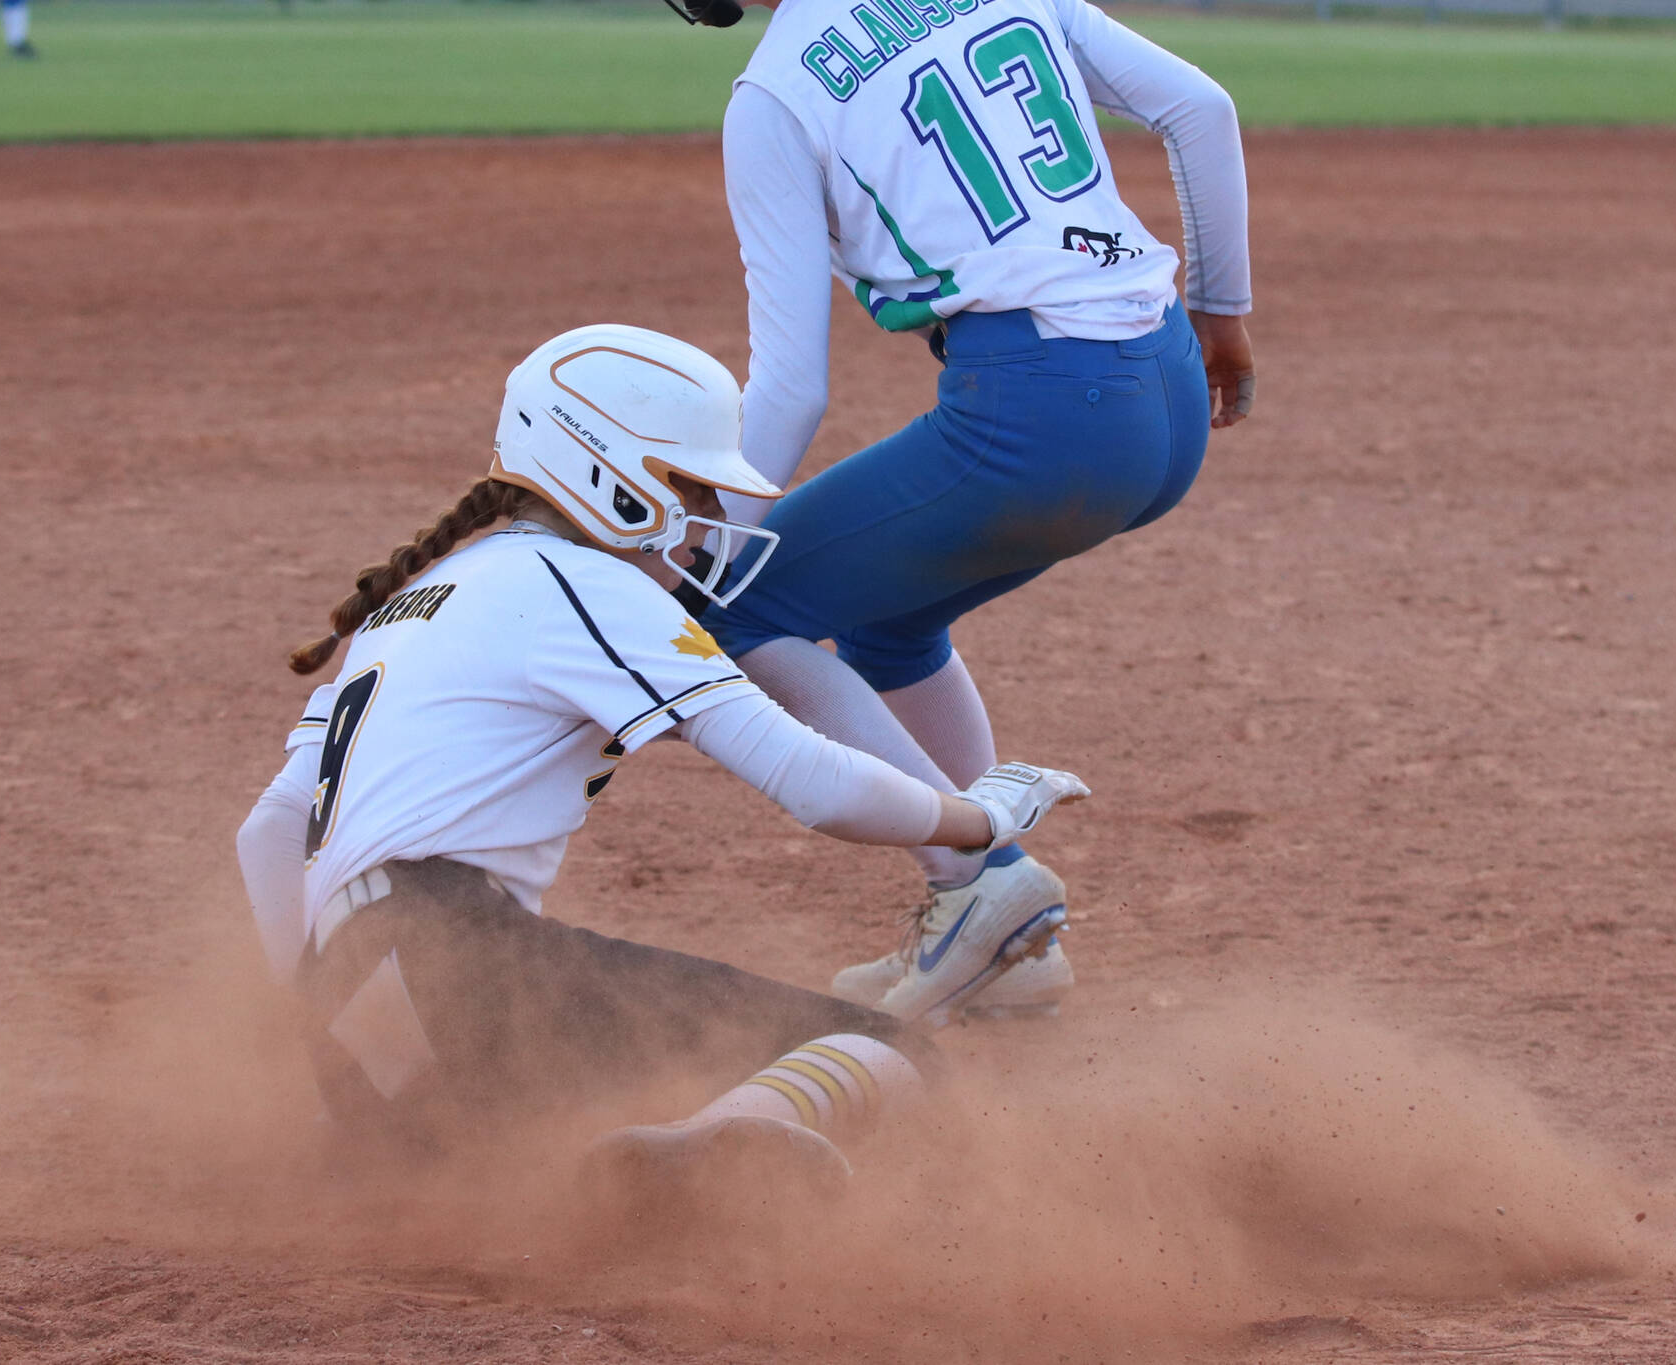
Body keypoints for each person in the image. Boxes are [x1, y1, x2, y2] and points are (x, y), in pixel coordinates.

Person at [626, 0, 1256, 1021]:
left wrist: (696, 554)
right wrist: (1221, 315)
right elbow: (1201, 105)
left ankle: (973, 884)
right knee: (891, 628)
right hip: (1165, 404)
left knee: (748, 610)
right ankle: (1002, 919)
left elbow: (791, 388)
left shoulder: (773, 92)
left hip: (1041, 416)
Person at [233, 324, 1085, 1201]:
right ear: (614, 482)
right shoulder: (585, 583)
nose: (709, 527)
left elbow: (267, 833)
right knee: (892, 1054)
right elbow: (817, 785)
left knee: (497, 1171)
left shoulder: (415, 600)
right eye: (690, 491)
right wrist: (981, 820)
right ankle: (693, 1160)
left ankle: (605, 1166)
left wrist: (322, 1037)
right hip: (459, 960)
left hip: (357, 1013)